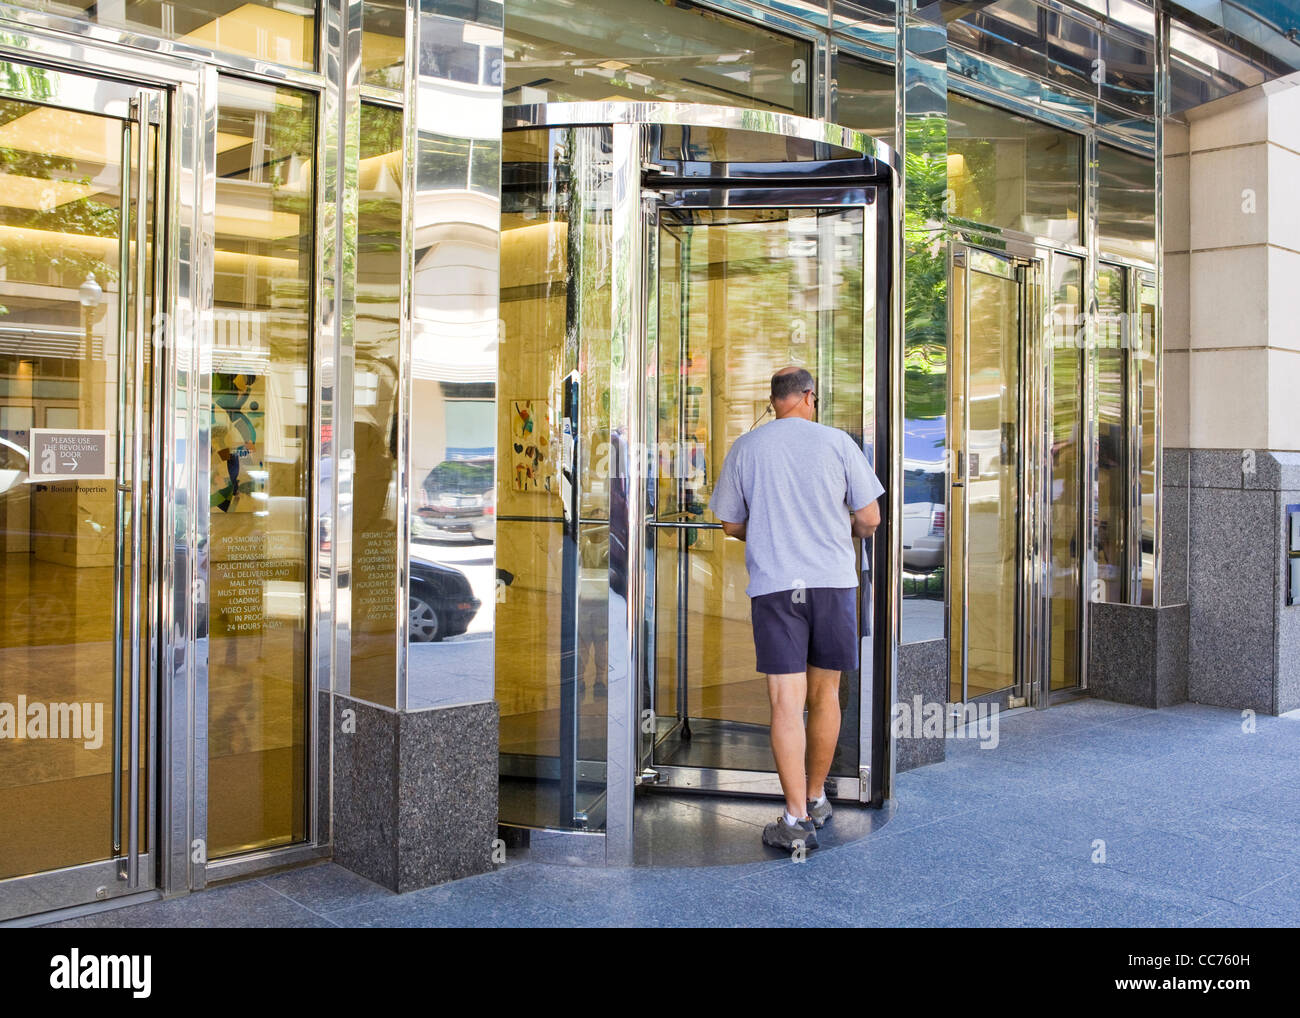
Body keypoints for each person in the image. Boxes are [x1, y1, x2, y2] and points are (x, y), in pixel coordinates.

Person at [709, 366, 883, 851]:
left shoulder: (748, 447)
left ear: (774, 400)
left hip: (777, 588)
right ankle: (816, 799)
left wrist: (765, 523)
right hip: (832, 585)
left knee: (786, 703)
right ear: (810, 396)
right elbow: (870, 518)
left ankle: (794, 818)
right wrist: (836, 522)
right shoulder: (838, 443)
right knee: (825, 695)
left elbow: (728, 523)